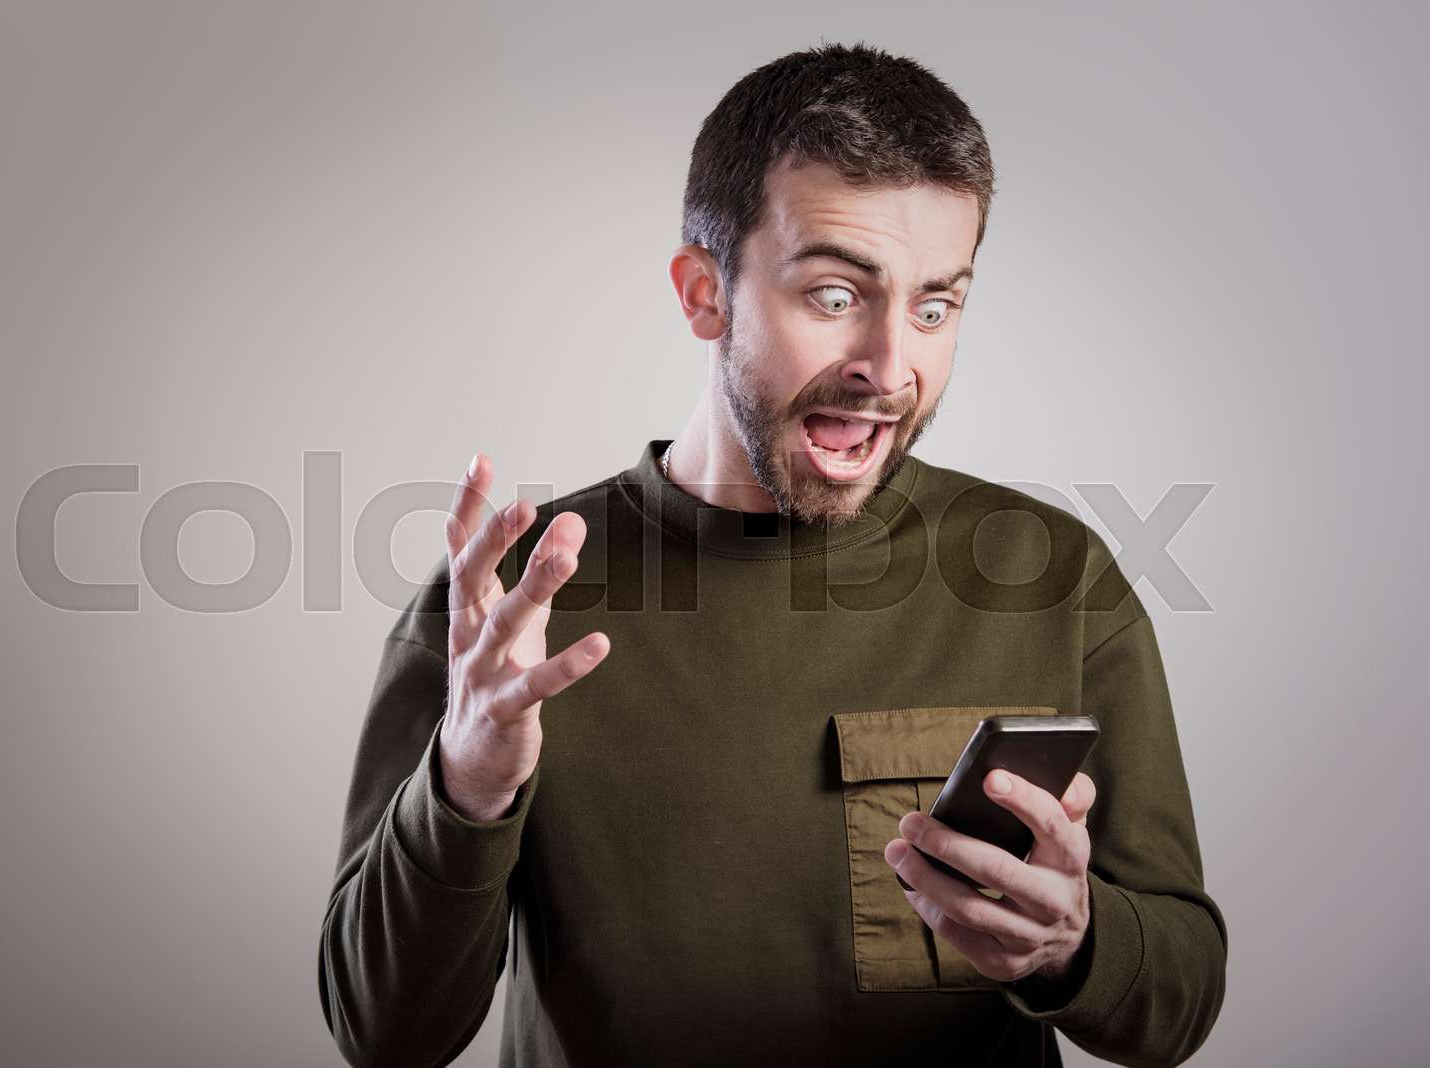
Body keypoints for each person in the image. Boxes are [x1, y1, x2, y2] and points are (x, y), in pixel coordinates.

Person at [318, 42, 1227, 1067]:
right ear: (705, 292)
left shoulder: (1055, 578)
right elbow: (381, 1033)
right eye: (835, 295)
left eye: (935, 305)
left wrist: (1077, 944)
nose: (891, 367)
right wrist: (465, 787)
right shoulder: (508, 609)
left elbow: (1178, 1001)